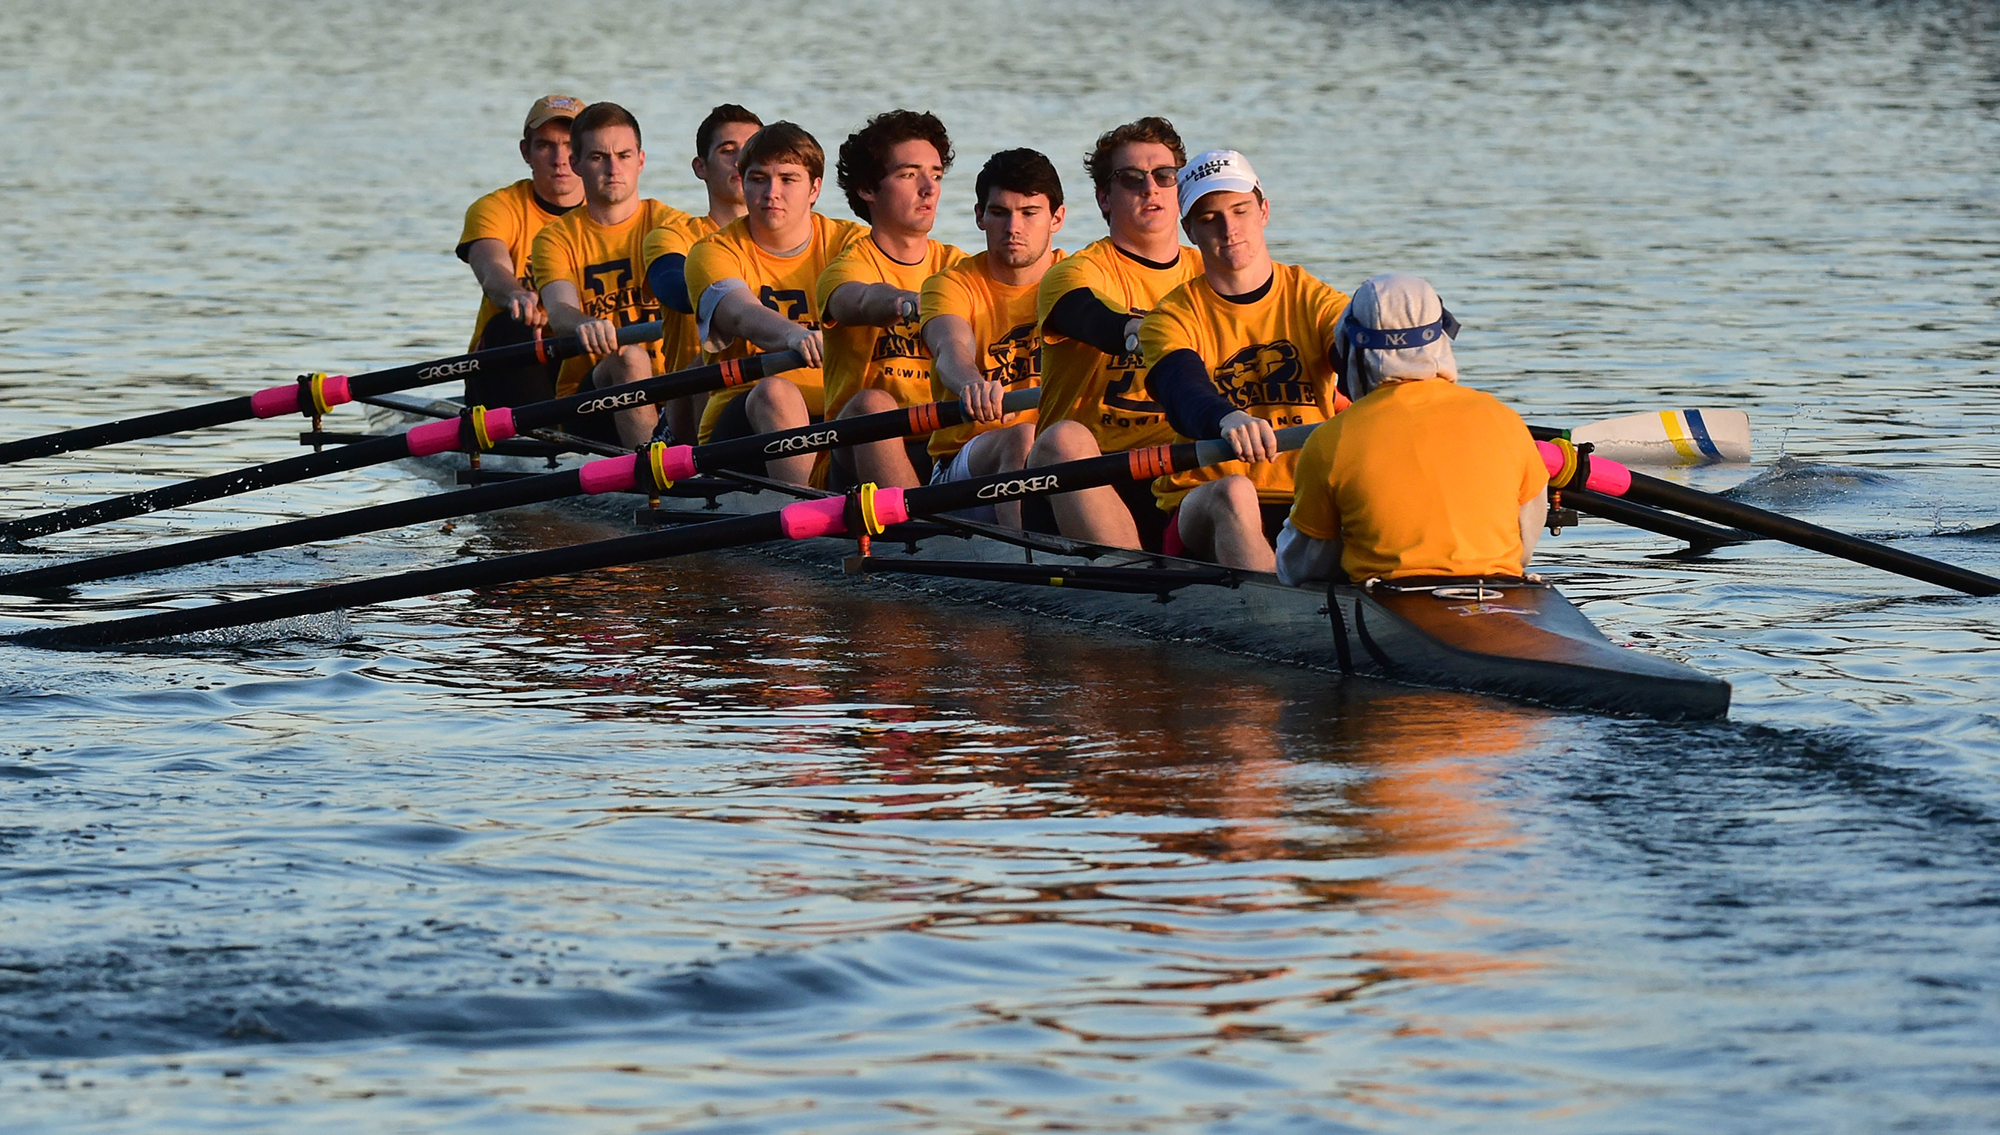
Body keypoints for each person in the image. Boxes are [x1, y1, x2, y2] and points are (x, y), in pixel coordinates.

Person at [1139, 149, 1351, 571]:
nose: (1229, 229)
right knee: (1234, 489)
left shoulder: (1316, 300)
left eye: (1239, 210)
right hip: (1206, 502)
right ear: (1189, 230)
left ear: (1264, 210)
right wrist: (1227, 419)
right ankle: (1279, 621)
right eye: (1209, 218)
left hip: (1309, 500)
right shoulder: (1171, 317)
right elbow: (1182, 390)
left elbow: (1359, 360)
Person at [1278, 274, 1549, 586]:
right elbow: (1524, 547)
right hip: (1502, 593)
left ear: (1352, 351)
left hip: (1388, 603)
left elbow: (1302, 569)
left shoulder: (1330, 440)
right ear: (1441, 339)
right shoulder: (1505, 420)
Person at [1026, 117, 1202, 549]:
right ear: (1105, 198)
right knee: (1063, 439)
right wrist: (1143, 333)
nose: (1151, 188)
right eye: (1131, 179)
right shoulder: (1073, 274)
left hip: (1179, 472)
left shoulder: (1209, 275)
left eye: (1164, 176)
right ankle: (1136, 582)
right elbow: (1089, 318)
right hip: (1089, 476)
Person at [684, 122, 868, 481]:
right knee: (777, 392)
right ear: (742, 181)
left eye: (788, 179)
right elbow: (740, 313)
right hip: (745, 421)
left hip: (835, 413)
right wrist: (793, 336)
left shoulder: (852, 243)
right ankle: (804, 518)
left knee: (875, 403)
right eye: (758, 179)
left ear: (815, 188)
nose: (772, 192)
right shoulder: (711, 252)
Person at [918, 148, 1067, 527]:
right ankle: (1024, 560)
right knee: (1022, 436)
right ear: (980, 217)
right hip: (966, 470)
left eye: (1029, 213)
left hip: (1062, 457)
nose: (1013, 227)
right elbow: (950, 346)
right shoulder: (950, 285)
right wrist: (973, 385)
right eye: (1000, 212)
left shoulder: (1081, 279)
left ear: (1057, 218)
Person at [816, 111, 965, 487]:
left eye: (935, 174)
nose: (928, 188)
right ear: (867, 188)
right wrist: (904, 302)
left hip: (940, 441)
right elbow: (862, 300)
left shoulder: (958, 268)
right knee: (873, 404)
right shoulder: (847, 267)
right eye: (909, 174)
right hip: (860, 449)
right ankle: (921, 533)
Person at [530, 102, 691, 446]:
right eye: (598, 157)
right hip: (589, 401)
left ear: (641, 161)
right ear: (576, 164)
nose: (613, 168)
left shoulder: (674, 225)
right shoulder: (555, 238)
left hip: (672, 390)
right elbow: (559, 313)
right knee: (630, 357)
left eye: (624, 155)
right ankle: (654, 473)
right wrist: (584, 323)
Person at [642, 104, 764, 443]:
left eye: (752, 149)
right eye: (728, 151)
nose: (741, 161)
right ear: (700, 167)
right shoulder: (672, 236)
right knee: (708, 361)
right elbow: (676, 290)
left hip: (775, 391)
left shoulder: (801, 242)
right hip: (693, 402)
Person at [454, 94, 586, 406]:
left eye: (570, 146)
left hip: (582, 363)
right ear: (526, 152)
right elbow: (492, 269)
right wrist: (515, 294)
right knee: (512, 324)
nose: (559, 158)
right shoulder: (496, 208)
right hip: (510, 365)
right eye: (545, 146)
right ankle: (537, 442)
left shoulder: (613, 216)